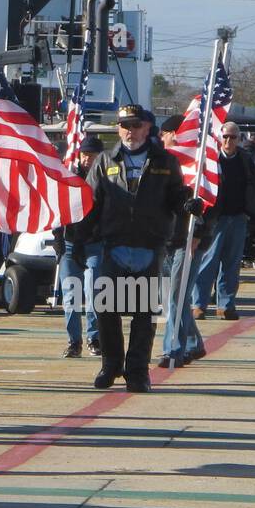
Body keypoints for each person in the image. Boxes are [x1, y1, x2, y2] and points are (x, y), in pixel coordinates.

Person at [83, 104, 200, 392]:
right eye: (124, 125)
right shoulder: (105, 161)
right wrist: (77, 240)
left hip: (149, 245)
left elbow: (176, 196)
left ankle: (137, 372)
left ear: (148, 128)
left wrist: (187, 204)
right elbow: (90, 202)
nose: (130, 131)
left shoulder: (165, 161)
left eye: (136, 125)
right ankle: (111, 365)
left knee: (143, 314)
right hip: (114, 245)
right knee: (106, 309)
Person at [190, 123, 255, 321]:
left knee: (232, 264)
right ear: (219, 138)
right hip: (215, 219)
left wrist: (250, 211)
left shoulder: (245, 159)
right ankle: (199, 304)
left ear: (239, 139)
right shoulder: (211, 160)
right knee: (208, 262)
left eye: (232, 137)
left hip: (238, 217)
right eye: (225, 137)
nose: (228, 141)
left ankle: (226, 305)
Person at [158, 114, 206, 367]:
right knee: (171, 298)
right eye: (172, 132)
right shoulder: (157, 163)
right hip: (162, 240)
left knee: (176, 296)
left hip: (187, 240)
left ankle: (173, 349)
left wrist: (198, 232)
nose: (177, 137)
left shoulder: (199, 163)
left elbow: (212, 202)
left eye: (182, 131)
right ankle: (194, 343)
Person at [54, 134, 102, 358]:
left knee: (94, 292)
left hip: (95, 244)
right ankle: (74, 342)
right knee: (71, 295)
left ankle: (95, 337)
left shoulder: (106, 181)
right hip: (70, 245)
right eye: (84, 155)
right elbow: (57, 211)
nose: (87, 159)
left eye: (92, 155)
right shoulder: (69, 179)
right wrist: (58, 242)